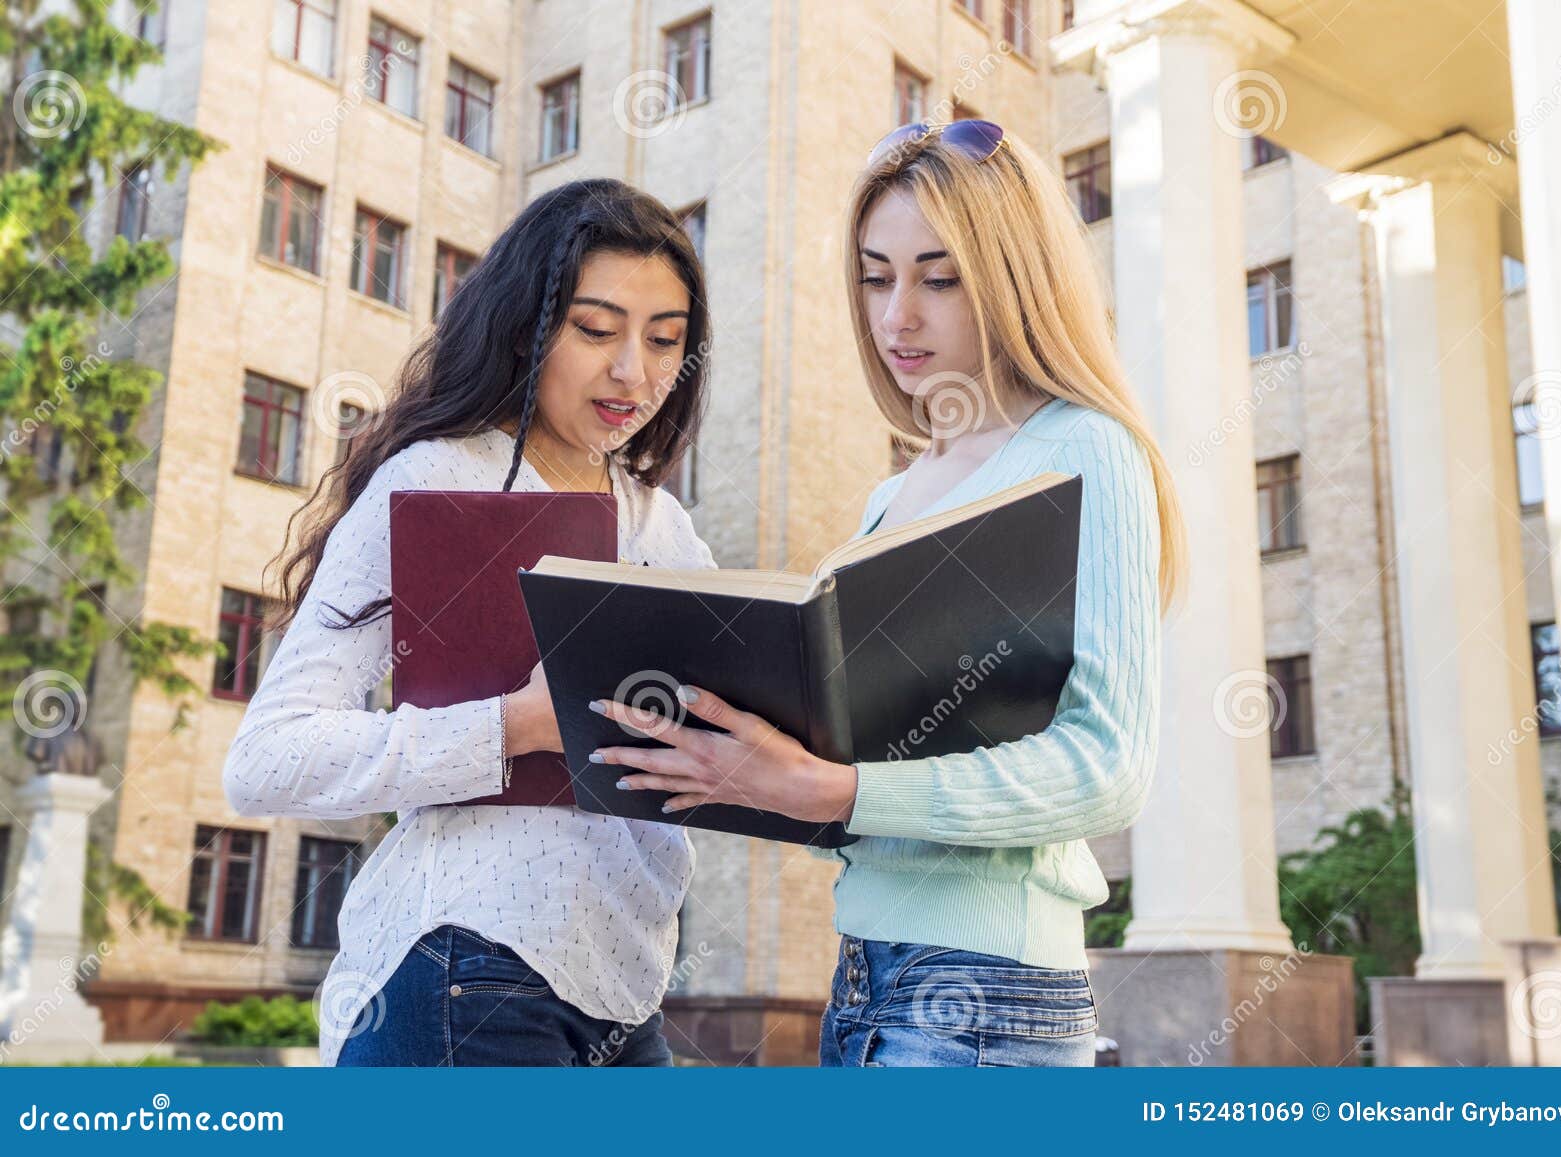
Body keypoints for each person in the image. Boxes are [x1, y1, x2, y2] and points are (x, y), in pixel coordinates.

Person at [590, 121, 1187, 1067]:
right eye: (876, 276)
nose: (897, 315)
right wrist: (753, 769)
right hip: (863, 980)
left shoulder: (1085, 449)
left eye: (939, 278)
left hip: (990, 991)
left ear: (1015, 277)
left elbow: (1106, 766)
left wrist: (832, 786)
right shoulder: (897, 489)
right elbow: (874, 788)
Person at [222, 178, 715, 1067]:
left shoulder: (662, 528)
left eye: (665, 341)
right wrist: (510, 726)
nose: (633, 371)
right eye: (596, 331)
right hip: (465, 965)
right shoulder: (435, 482)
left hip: (626, 989)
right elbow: (264, 761)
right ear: (528, 328)